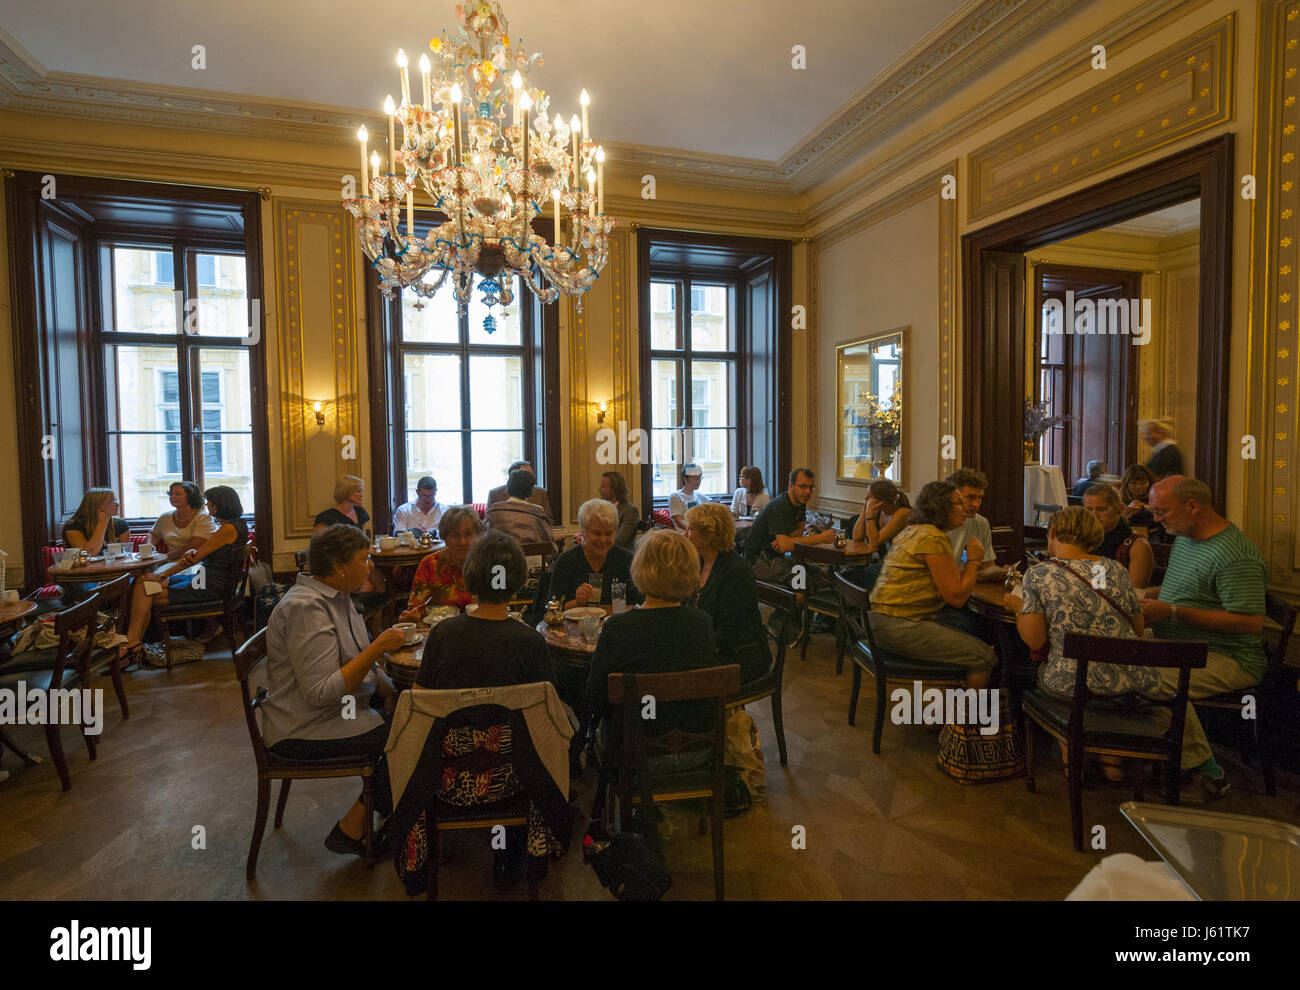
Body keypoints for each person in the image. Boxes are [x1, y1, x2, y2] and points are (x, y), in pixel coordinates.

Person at [1006, 506, 1221, 791]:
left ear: (1053, 533)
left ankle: (1073, 759)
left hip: (1075, 685)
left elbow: (1034, 641)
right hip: (1130, 685)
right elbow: (1137, 628)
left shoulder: (1040, 574)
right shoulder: (1113, 570)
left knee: (1050, 673)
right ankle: (1112, 761)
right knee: (1095, 678)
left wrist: (1019, 606)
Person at [260, 524, 404, 856]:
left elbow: (355, 658)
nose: (369, 566)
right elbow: (321, 692)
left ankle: (391, 810)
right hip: (303, 727)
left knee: (413, 717)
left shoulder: (337, 596)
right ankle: (352, 829)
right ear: (339, 566)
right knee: (413, 736)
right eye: (363, 559)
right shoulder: (306, 608)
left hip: (333, 711)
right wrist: (377, 648)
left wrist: (391, 690)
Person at [1138, 476, 1269, 802]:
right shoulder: (1186, 537)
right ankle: (1147, 757)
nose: (1156, 520)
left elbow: (1251, 623)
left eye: (1161, 512)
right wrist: (1136, 595)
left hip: (1229, 657)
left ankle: (1208, 774)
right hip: (1182, 646)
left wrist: (1170, 612)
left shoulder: (1235, 555)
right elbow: (1179, 592)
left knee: (1150, 679)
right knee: (1112, 659)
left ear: (1192, 506)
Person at [585, 529, 720, 744]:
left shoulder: (618, 627)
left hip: (633, 748)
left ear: (639, 569)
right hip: (696, 743)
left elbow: (595, 697)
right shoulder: (702, 622)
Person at [868, 481, 995, 687]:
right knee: (984, 657)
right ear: (941, 508)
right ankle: (963, 718)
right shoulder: (933, 538)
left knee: (968, 628)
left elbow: (945, 577)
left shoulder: (915, 530)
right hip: (898, 626)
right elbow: (956, 598)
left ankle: (947, 710)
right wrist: (973, 561)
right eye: (959, 503)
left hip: (880, 621)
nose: (966, 509)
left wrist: (983, 573)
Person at [117, 486, 249, 662]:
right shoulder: (239, 525)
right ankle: (134, 642)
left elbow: (194, 559)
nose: (207, 507)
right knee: (142, 583)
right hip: (206, 580)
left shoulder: (227, 529)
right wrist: (194, 553)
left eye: (209, 504)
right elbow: (207, 552)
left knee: (144, 591)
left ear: (217, 506)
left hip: (209, 586)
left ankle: (133, 643)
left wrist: (162, 576)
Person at [415, 531, 554, 690]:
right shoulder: (532, 642)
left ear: (471, 578)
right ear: (518, 581)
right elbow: (545, 704)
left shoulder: (441, 633)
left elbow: (420, 700)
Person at [685, 503, 770, 683]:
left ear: (709, 536)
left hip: (740, 657)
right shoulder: (698, 563)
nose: (686, 535)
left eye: (691, 531)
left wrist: (691, 642)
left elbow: (731, 632)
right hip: (714, 647)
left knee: (678, 672)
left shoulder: (736, 572)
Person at [744, 467, 837, 582]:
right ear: (791, 486)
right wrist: (820, 538)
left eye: (811, 487)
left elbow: (798, 532)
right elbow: (786, 546)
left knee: (821, 574)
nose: (808, 491)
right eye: (802, 486)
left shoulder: (800, 502)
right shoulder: (781, 506)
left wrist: (785, 540)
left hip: (775, 556)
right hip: (758, 561)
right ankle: (798, 598)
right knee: (803, 579)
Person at [548, 499, 643, 610]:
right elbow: (552, 610)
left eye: (608, 534)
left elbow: (639, 606)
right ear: (583, 531)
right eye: (597, 533)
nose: (603, 540)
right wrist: (577, 602)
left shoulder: (626, 561)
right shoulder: (567, 561)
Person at [400, 504, 482, 621]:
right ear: (444, 537)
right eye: (454, 535)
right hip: (441, 631)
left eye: (468, 534)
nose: (462, 542)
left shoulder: (489, 563)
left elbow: (502, 604)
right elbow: (415, 608)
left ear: (478, 535)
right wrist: (411, 616)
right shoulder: (430, 564)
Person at [1082, 483, 1153, 588]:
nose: (1094, 515)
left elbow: (1134, 593)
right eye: (1089, 510)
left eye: (1102, 509)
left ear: (1119, 509)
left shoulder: (1137, 546)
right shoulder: (1082, 540)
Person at [844, 480, 911, 590]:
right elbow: (857, 536)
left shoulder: (903, 513)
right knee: (847, 575)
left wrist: (869, 515)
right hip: (888, 565)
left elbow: (875, 542)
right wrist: (864, 510)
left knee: (850, 577)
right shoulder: (879, 511)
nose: (865, 500)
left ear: (881, 502)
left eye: (868, 498)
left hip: (903, 569)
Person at [944, 468, 1004, 580]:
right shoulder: (937, 526)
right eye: (970, 497)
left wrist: (1000, 572)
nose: (976, 504)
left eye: (980, 498)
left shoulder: (981, 523)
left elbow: (988, 566)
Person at [149, 481, 217, 560]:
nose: (172, 497)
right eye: (171, 494)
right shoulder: (165, 517)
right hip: (169, 561)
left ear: (191, 496)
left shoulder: (203, 518)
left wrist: (163, 559)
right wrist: (149, 547)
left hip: (195, 562)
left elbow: (193, 546)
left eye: (177, 494)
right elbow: (153, 534)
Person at [486, 469, 555, 545]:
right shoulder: (538, 512)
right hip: (532, 555)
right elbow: (549, 544)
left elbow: (487, 539)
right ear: (531, 491)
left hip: (501, 555)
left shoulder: (494, 511)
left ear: (508, 488)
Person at [62, 488, 131, 554]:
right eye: (113, 501)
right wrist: (102, 522)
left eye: (117, 500)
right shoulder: (73, 527)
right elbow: (89, 554)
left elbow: (126, 554)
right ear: (97, 505)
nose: (118, 504)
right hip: (83, 566)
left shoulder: (121, 525)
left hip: (115, 566)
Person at [486, 460, 552, 518]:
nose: (531, 479)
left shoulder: (541, 493)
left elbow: (548, 519)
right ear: (512, 477)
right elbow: (488, 523)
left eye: (531, 475)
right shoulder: (495, 495)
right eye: (526, 476)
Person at [599, 470, 640, 550]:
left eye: (603, 487)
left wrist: (593, 544)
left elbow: (619, 541)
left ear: (614, 490)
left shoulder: (630, 511)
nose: (599, 490)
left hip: (621, 557)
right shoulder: (600, 508)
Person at [669, 463, 709, 531]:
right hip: (685, 534)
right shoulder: (675, 496)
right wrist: (695, 531)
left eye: (699, 477)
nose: (698, 481)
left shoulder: (699, 495)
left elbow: (715, 504)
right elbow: (679, 521)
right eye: (694, 478)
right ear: (685, 478)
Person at [1120, 464, 1160, 532]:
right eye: (1133, 483)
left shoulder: (1156, 498)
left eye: (1143, 483)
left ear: (1149, 483)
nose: (1138, 487)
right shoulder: (1120, 500)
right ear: (1126, 484)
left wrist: (1144, 507)